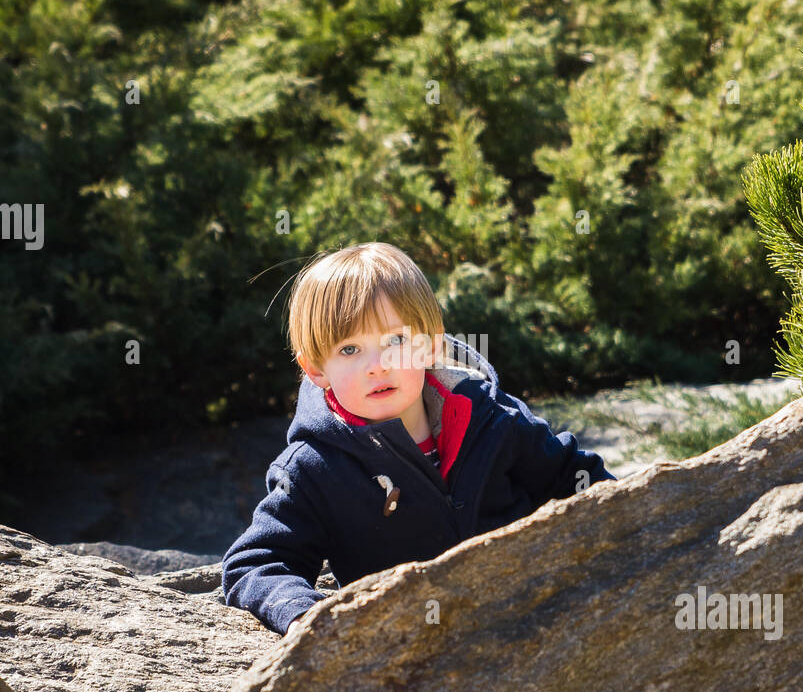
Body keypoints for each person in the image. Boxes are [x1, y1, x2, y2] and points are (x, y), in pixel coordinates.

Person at [220, 242, 616, 635]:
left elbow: (576, 477)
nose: (377, 366)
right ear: (315, 369)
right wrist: (307, 616)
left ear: (430, 345)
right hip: (408, 655)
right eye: (350, 348)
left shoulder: (493, 419)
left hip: (529, 621)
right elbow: (256, 563)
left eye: (396, 341)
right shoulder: (315, 467)